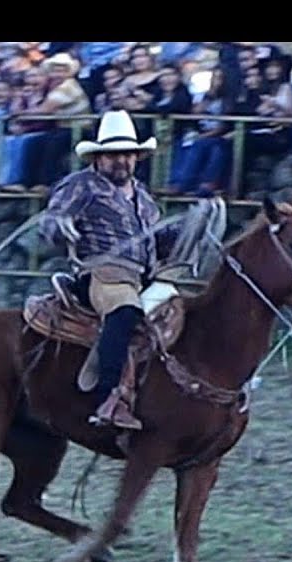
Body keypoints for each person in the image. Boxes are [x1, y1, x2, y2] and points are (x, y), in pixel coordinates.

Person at [38, 109, 183, 431]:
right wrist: (61, 227)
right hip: (103, 273)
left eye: (128, 154)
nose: (122, 161)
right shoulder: (81, 186)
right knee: (125, 310)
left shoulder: (144, 199)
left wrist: (181, 233)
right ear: (99, 158)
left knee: (182, 310)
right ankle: (109, 397)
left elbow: (155, 241)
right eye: (114, 155)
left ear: (137, 157)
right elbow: (49, 222)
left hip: (144, 275)